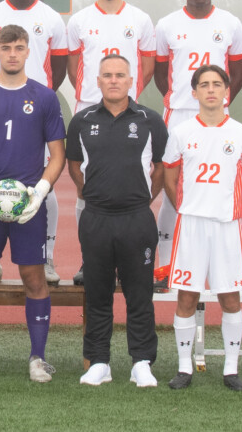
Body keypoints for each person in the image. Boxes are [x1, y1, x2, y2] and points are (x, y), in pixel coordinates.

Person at [0, 24, 67, 382]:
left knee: (34, 276)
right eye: (7, 48)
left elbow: (57, 155)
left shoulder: (46, 97)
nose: (13, 54)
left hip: (27, 205)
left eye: (20, 47)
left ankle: (38, 358)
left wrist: (40, 192)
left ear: (28, 51)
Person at [67, 54, 167, 388]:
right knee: (98, 293)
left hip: (137, 219)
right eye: (107, 75)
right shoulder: (81, 121)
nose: (113, 80)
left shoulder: (150, 120)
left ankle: (141, 361)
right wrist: (95, 196)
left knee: (140, 293)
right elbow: (75, 169)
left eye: (120, 75)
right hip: (96, 218)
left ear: (131, 80)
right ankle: (99, 362)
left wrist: (138, 200)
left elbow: (161, 170)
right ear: (97, 80)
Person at [0, 0, 70, 283]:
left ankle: (46, 257)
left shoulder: (52, 18)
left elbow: (57, 69)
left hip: (37, 110)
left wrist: (38, 96)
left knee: (46, 184)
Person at [153, 0, 242, 285]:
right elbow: (162, 75)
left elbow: (237, 72)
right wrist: (184, 98)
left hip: (217, 117)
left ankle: (216, 264)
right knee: (172, 189)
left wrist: (216, 102)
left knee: (216, 186)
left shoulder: (231, 23)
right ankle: (165, 265)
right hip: (179, 115)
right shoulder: (167, 25)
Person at [159, 64, 242, 391]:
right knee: (186, 297)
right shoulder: (181, 133)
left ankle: (231, 369)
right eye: (204, 85)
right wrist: (186, 205)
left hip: (226, 226)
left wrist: (235, 208)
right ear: (194, 92)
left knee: (230, 298)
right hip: (192, 225)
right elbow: (170, 178)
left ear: (227, 91)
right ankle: (184, 368)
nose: (211, 90)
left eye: (217, 84)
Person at [65, 0, 156, 286]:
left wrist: (124, 98)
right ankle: (89, 260)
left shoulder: (141, 20)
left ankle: (130, 261)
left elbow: (145, 66)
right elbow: (75, 66)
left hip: (127, 111)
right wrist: (94, 95)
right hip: (90, 108)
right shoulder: (79, 20)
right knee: (85, 188)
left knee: (130, 183)